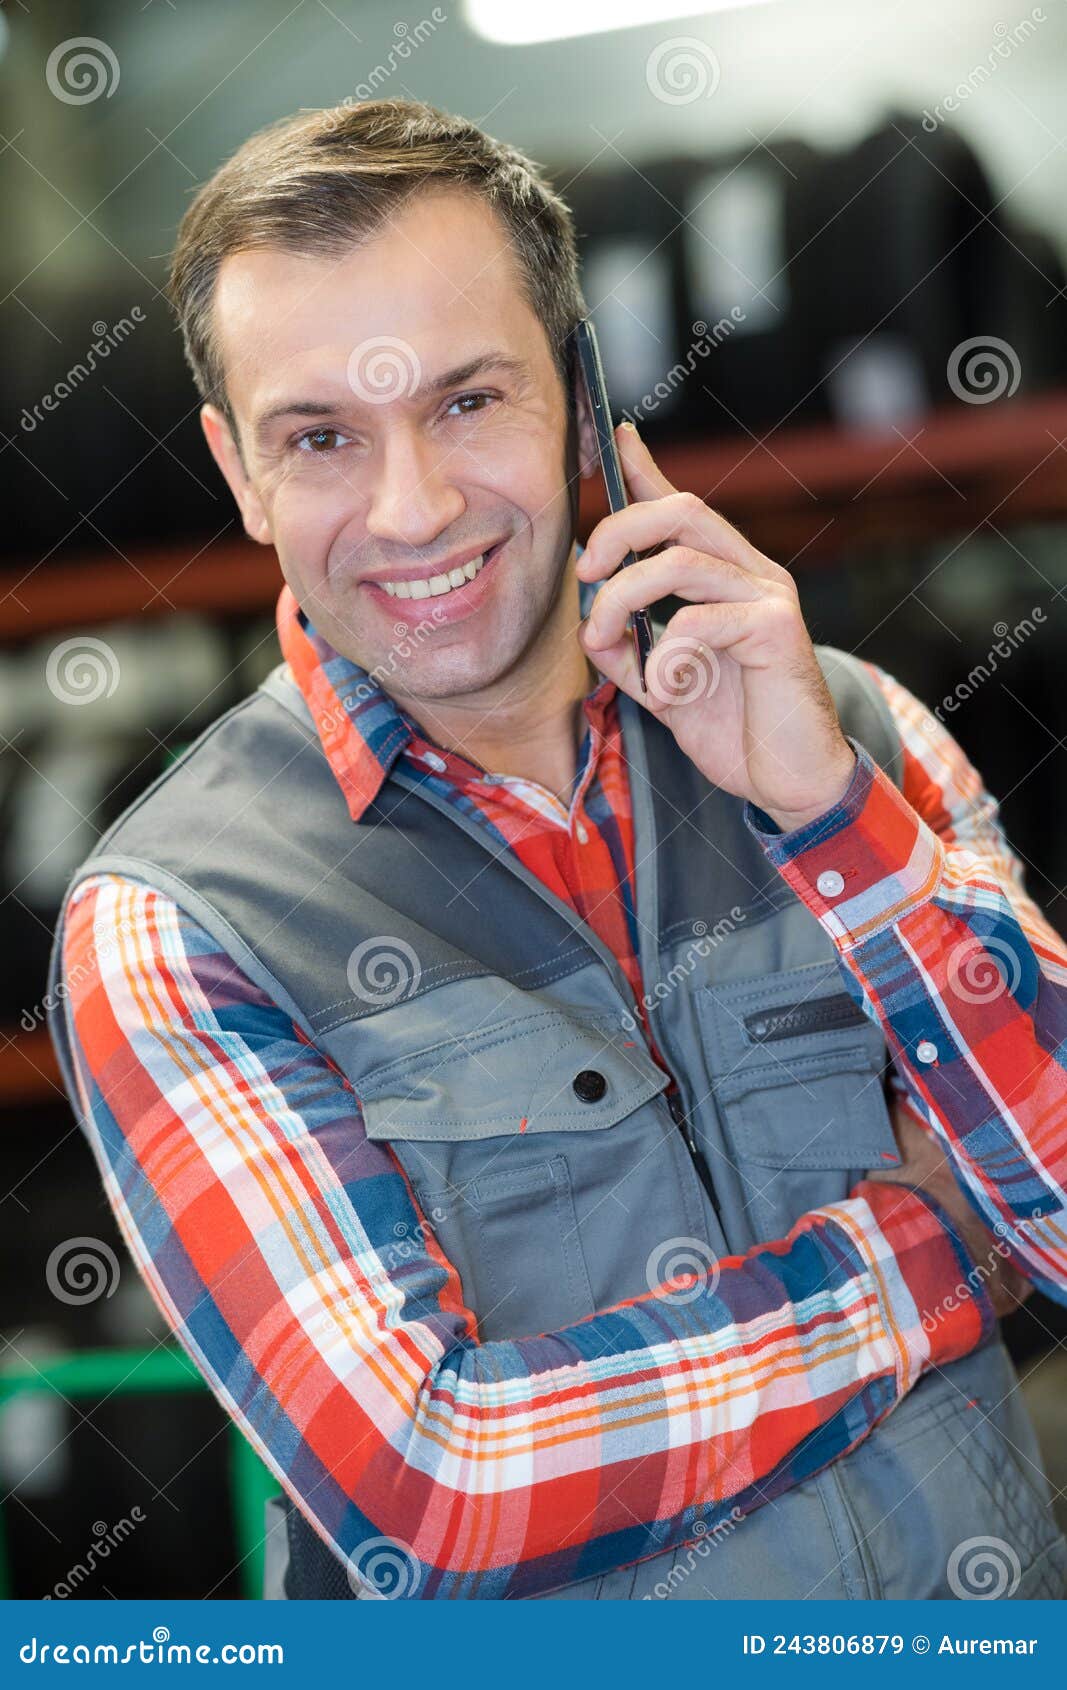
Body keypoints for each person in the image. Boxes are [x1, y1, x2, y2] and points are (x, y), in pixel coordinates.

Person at [46, 98, 1067, 1602]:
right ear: (240, 472)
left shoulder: (858, 731)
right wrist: (931, 1251)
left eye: (469, 402)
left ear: (581, 397)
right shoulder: (177, 921)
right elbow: (436, 1489)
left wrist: (831, 815)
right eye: (320, 437)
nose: (415, 510)